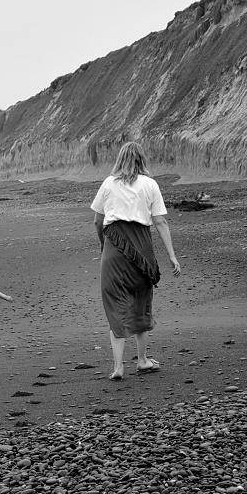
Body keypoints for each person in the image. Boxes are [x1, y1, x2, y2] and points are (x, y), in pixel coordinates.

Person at [91, 141, 181, 381]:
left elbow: (98, 221)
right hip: (142, 250)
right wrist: (171, 255)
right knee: (142, 303)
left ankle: (119, 367)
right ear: (142, 159)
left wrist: (103, 244)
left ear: (120, 159)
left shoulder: (108, 184)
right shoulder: (150, 185)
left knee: (115, 305)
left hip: (114, 249)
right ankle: (142, 361)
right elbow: (160, 222)